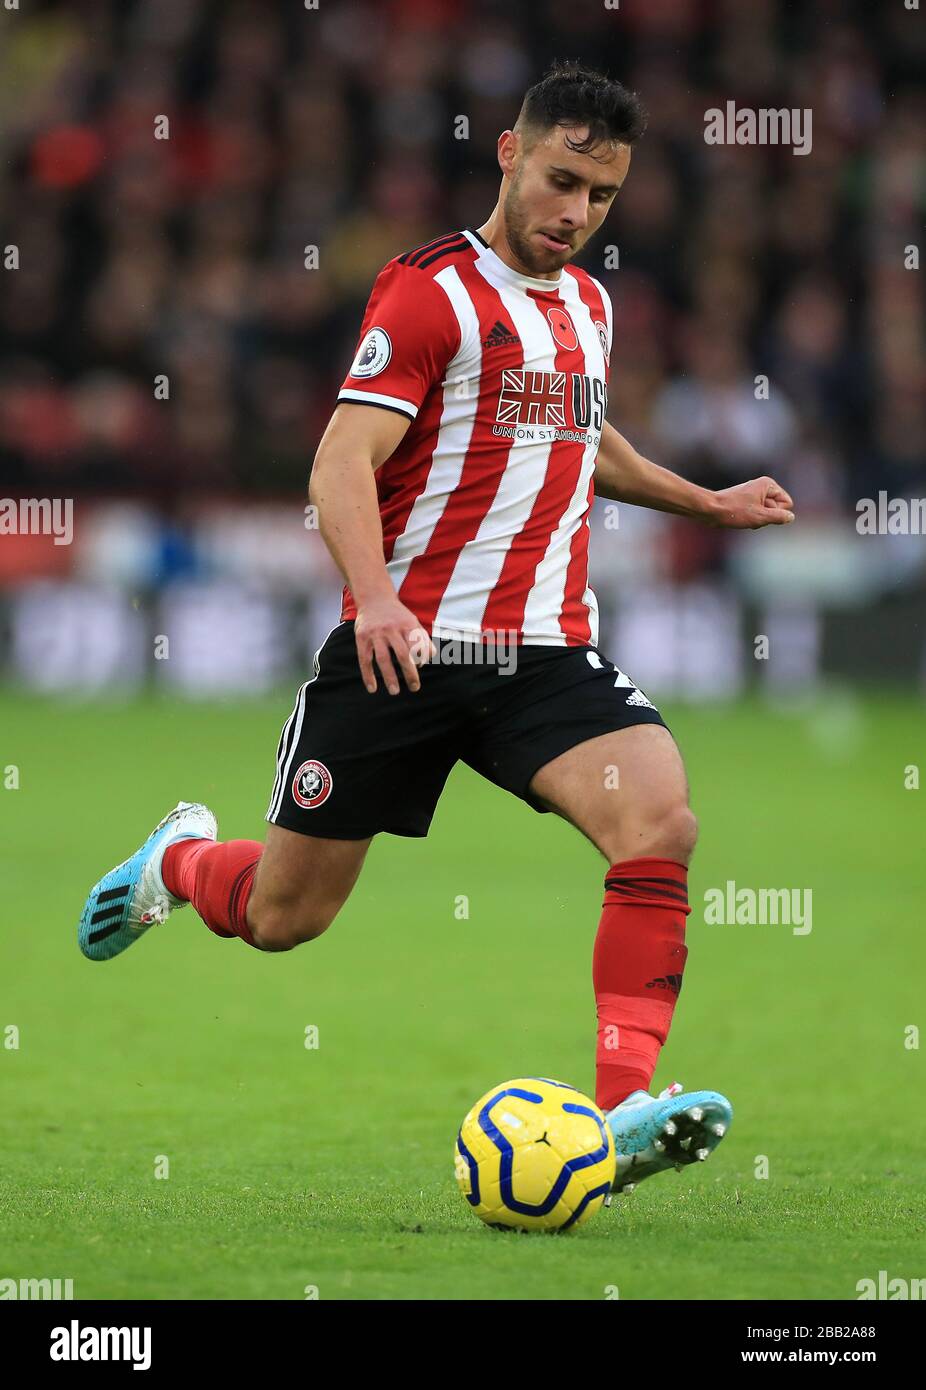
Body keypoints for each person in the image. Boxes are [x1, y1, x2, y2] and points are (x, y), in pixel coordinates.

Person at [77, 62, 794, 1197]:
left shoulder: (590, 307)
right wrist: (373, 597)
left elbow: (584, 440)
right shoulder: (425, 293)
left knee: (658, 820)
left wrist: (701, 500)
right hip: (398, 648)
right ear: (508, 155)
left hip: (542, 652)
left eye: (601, 194)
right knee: (282, 917)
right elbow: (339, 461)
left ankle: (618, 1116)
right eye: (561, 181)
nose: (575, 214)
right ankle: (174, 860)